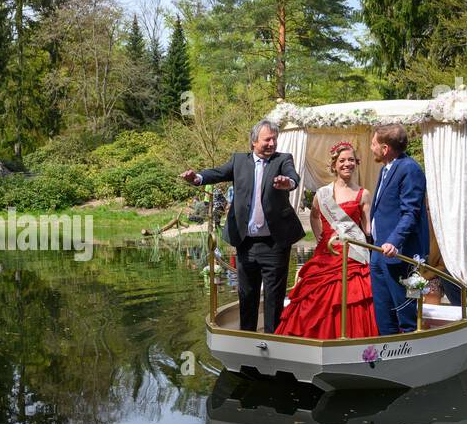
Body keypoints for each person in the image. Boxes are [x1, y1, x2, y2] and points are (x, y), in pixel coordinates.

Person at [181, 120, 304, 332]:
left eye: (274, 139)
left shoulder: (283, 160)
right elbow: (218, 173)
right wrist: (197, 178)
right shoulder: (239, 161)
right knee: (247, 294)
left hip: (275, 243)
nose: (272, 143)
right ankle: (247, 339)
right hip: (245, 243)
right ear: (254, 141)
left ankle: (274, 341)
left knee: (274, 297)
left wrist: (289, 183)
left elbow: (293, 177)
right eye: (267, 139)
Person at [274, 142, 378, 339]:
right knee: (315, 297)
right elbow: (314, 216)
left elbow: (368, 229)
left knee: (354, 297)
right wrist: (319, 234)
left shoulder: (363, 194)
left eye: (350, 160)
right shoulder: (322, 194)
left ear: (356, 163)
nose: (347, 164)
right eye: (342, 160)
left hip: (353, 256)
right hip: (326, 254)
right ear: (334, 165)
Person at [367, 123, 429, 335]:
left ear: (385, 148)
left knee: (405, 312)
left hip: (399, 254)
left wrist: (394, 241)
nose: (371, 147)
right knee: (383, 312)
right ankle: (387, 348)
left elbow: (410, 212)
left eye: (374, 143)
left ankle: (409, 353)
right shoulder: (387, 169)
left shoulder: (410, 169)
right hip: (378, 250)